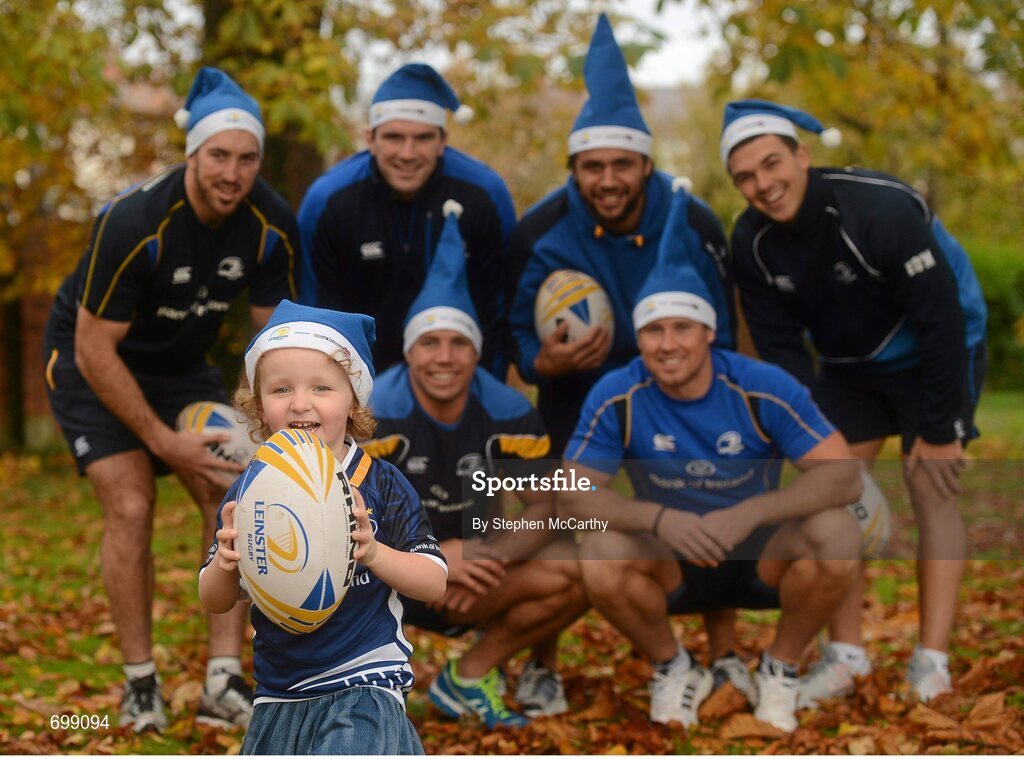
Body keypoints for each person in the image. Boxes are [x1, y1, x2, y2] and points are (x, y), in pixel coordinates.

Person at [42, 67, 300, 732]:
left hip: (182, 369)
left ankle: (223, 680)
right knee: (132, 504)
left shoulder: (272, 223)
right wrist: (162, 441)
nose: (232, 173)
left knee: (234, 490)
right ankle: (140, 684)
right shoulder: (133, 221)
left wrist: (271, 428)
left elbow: (273, 344)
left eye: (247, 158)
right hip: (92, 364)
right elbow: (94, 348)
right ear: (193, 154)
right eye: (219, 155)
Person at [559, 190, 863, 732]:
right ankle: (674, 667)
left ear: (709, 332)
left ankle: (781, 668)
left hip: (758, 552)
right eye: (653, 330)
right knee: (600, 550)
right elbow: (573, 493)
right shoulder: (618, 393)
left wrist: (751, 512)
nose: (667, 344)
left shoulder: (761, 385)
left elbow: (844, 476)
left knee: (838, 531)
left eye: (682, 327)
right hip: (671, 555)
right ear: (639, 338)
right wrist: (659, 518)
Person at [721, 100, 988, 704]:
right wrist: (814, 446)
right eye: (745, 177)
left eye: (772, 163)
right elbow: (783, 356)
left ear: (802, 155)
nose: (763, 184)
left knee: (931, 485)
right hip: (848, 366)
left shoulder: (879, 208)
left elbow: (942, 318)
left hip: (939, 349)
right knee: (832, 491)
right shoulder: (751, 241)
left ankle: (932, 663)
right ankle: (846, 658)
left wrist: (941, 431)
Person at [364, 201, 588, 728]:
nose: (444, 357)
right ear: (409, 350)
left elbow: (546, 507)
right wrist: (433, 560)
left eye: (459, 342)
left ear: (477, 351)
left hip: (478, 573)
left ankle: (467, 675)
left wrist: (491, 557)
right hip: (385, 577)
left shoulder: (509, 411)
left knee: (579, 567)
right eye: (430, 342)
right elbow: (336, 523)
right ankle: (354, 684)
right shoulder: (375, 412)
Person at [199, 300, 447, 754]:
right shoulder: (250, 491)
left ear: (353, 400)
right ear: (259, 406)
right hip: (278, 693)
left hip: (365, 683)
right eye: (280, 389)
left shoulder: (383, 483)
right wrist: (226, 565)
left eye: (321, 387)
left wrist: (375, 552)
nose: (300, 403)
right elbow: (214, 600)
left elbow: (433, 582)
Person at [507, 13, 735, 457]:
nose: (608, 181)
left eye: (623, 165)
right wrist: (542, 362)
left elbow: (722, 333)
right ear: (573, 169)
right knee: (573, 498)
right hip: (574, 394)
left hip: (681, 393)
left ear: (647, 165)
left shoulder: (696, 223)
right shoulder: (536, 234)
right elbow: (514, 332)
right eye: (593, 166)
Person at [298, 63, 516, 377]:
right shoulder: (328, 200)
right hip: (359, 382)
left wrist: (486, 392)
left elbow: (498, 307)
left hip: (457, 382)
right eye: (394, 137)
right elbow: (315, 314)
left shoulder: (485, 195)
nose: (407, 153)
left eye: (423, 138)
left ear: (443, 140)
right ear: (370, 138)